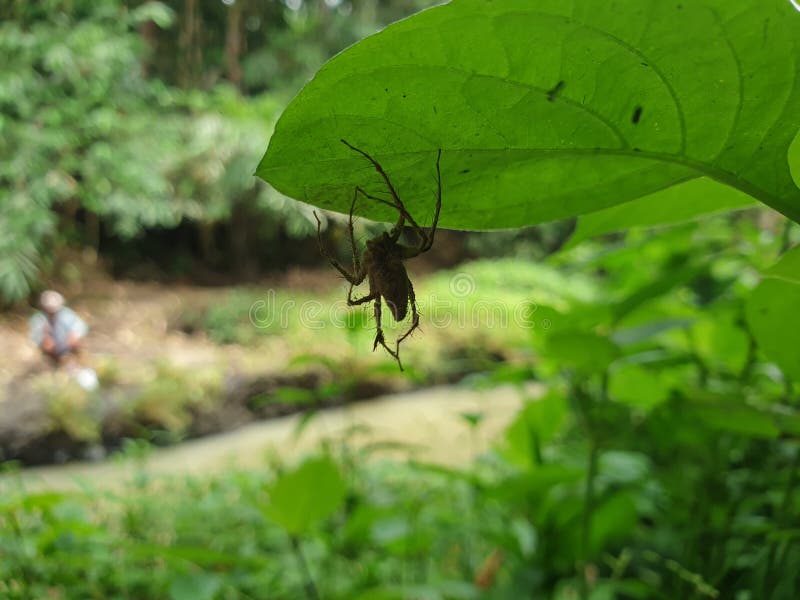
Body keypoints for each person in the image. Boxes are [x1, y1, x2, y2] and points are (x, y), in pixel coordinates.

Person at [29, 290, 89, 366]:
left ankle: (75, 360)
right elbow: (35, 338)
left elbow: (81, 327)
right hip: (53, 349)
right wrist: (44, 338)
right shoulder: (39, 319)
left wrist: (74, 335)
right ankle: (56, 363)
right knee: (47, 345)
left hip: (66, 344)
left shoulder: (66, 314)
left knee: (76, 341)